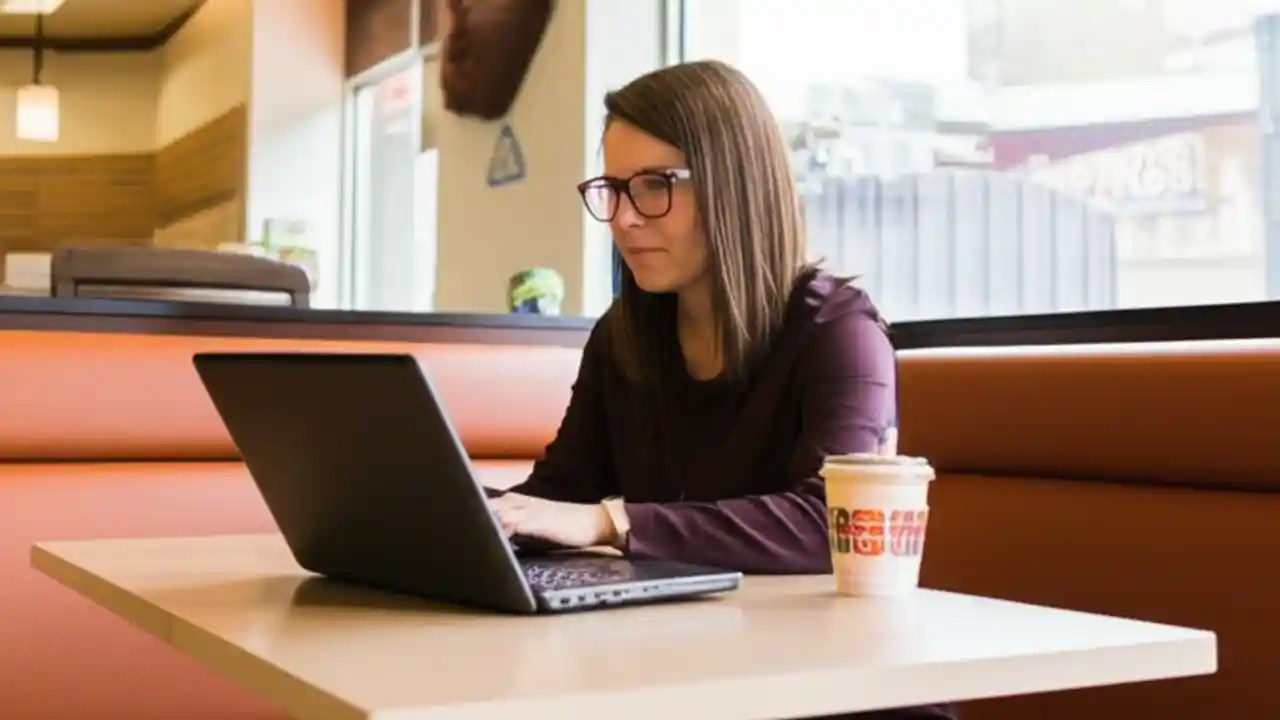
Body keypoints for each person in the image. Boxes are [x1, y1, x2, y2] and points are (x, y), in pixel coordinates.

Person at [488, 60, 956, 720]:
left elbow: (831, 524)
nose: (623, 219)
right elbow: (562, 490)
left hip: (838, 693)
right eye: (613, 189)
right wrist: (462, 516)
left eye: (654, 185)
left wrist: (612, 521)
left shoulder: (839, 331)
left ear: (735, 186)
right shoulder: (624, 334)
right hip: (688, 674)